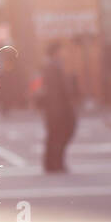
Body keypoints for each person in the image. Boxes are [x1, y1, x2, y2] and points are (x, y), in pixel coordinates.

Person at [38, 40, 78, 173]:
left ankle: (53, 163)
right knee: (59, 135)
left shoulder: (55, 66)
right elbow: (55, 92)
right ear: (56, 52)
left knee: (56, 136)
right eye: (62, 50)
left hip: (57, 109)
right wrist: (58, 111)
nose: (64, 53)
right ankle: (54, 164)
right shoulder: (52, 67)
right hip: (58, 109)